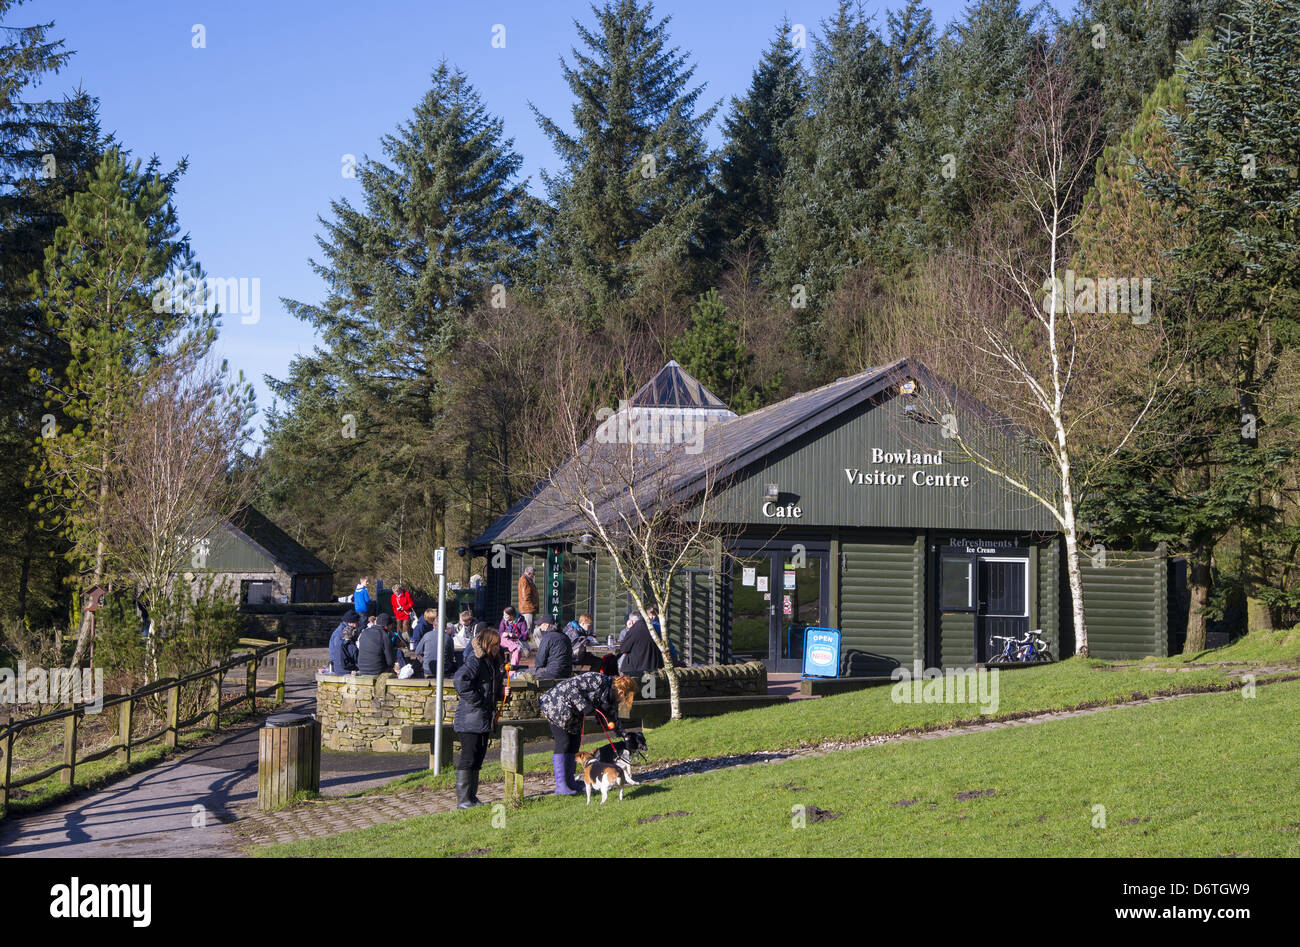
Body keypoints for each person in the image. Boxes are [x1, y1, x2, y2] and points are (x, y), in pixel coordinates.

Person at [538, 672, 638, 796]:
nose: (622, 700)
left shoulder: (608, 697)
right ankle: (561, 786)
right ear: (621, 691)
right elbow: (571, 688)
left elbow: (613, 718)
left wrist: (625, 736)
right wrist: (585, 706)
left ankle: (570, 782)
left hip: (572, 713)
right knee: (564, 743)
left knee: (574, 743)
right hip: (556, 705)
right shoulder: (598, 680)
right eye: (625, 696)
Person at [452, 628, 505, 809]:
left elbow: (488, 690)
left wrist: (500, 693)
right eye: (495, 644)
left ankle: (472, 798)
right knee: (468, 758)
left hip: (482, 718)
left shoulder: (490, 662)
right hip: (470, 719)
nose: (498, 647)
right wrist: (478, 701)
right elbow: (460, 680)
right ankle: (463, 800)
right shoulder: (476, 660)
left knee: (478, 758)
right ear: (487, 644)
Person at [618, 610, 664, 677]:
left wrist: (629, 629)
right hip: (653, 665)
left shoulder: (634, 630)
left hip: (635, 668)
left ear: (631, 621)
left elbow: (623, 648)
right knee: (651, 686)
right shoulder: (653, 628)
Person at [327, 610, 360, 674]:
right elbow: (339, 652)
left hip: (342, 664)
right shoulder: (340, 633)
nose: (358, 624)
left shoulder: (344, 630)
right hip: (341, 666)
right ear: (350, 622)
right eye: (356, 622)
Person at [517, 566, 539, 636]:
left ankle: (531, 643)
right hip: (527, 609)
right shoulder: (524, 580)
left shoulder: (528, 580)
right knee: (527, 628)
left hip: (530, 608)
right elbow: (525, 596)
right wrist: (532, 606)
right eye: (533, 574)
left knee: (532, 628)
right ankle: (526, 644)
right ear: (529, 573)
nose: (534, 576)